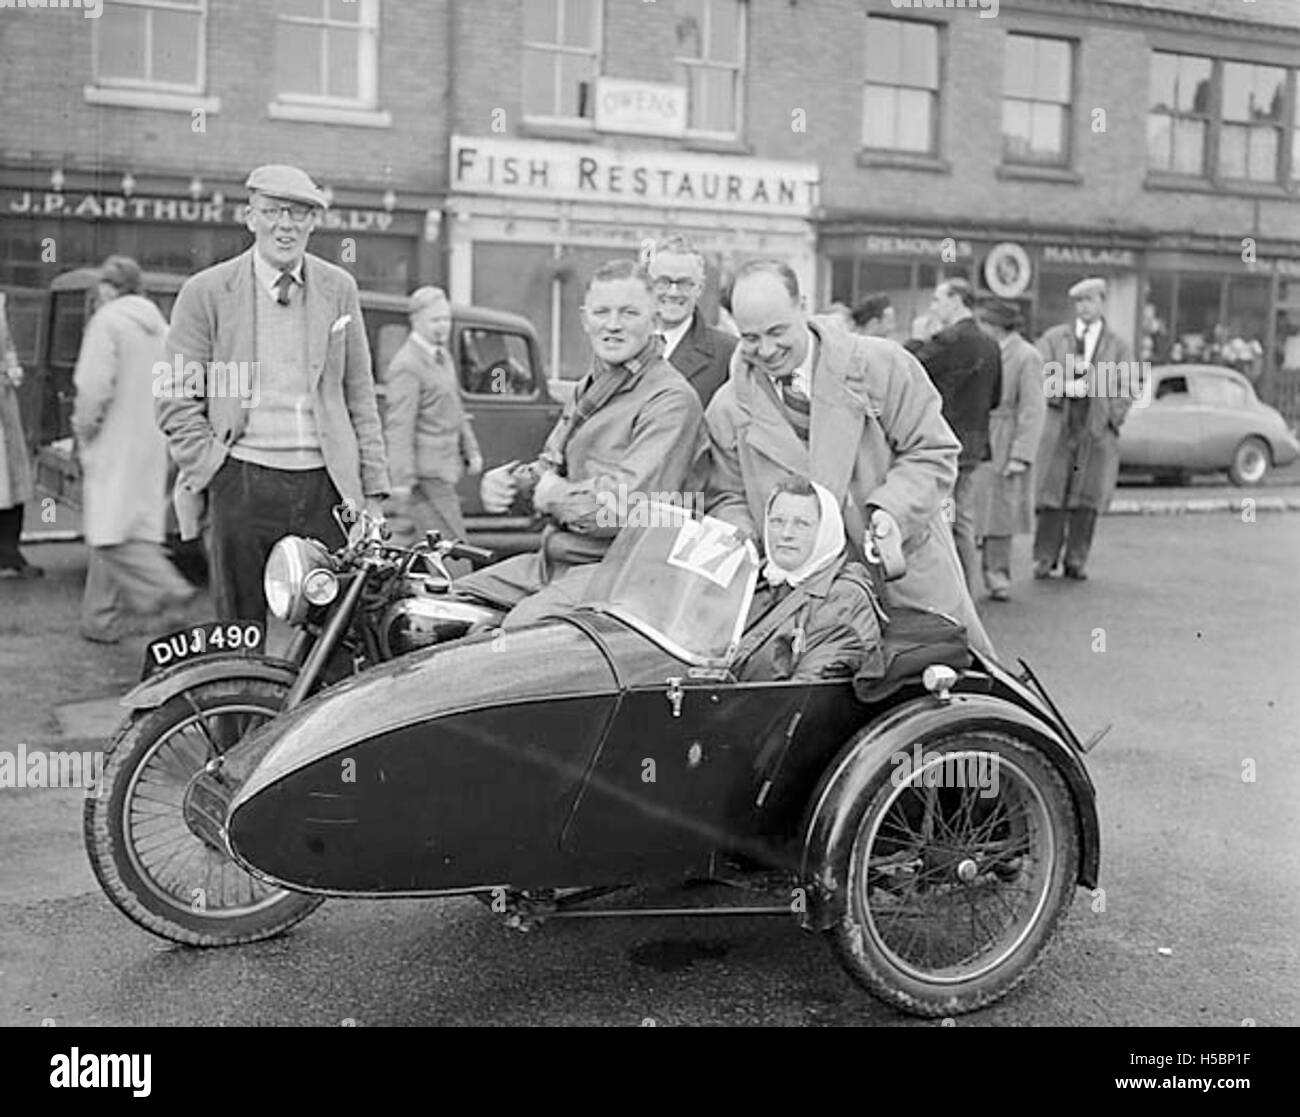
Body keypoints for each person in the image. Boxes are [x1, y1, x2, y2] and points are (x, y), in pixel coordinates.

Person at [704, 259, 995, 658]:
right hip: (804, 605)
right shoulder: (726, 409)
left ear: (802, 306)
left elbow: (932, 450)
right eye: (751, 338)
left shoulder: (883, 366)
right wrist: (745, 537)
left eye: (777, 332)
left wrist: (892, 510)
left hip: (902, 578)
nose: (767, 351)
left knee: (944, 697)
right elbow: (727, 495)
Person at [157, 164, 390, 621]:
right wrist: (213, 466)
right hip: (241, 479)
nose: (286, 225)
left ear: (313, 223)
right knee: (240, 626)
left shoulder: (337, 289)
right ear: (251, 217)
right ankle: (244, 696)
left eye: (300, 214)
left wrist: (373, 494)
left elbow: (360, 395)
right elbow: (173, 394)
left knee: (338, 630)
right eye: (274, 212)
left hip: (327, 485)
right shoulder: (209, 292)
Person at [459, 259, 705, 620]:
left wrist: (553, 495)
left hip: (620, 569)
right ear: (585, 319)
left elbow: (626, 507)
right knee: (448, 603)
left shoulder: (670, 400)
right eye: (601, 312)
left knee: (513, 637)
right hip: (555, 560)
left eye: (629, 313)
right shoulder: (588, 389)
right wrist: (512, 486)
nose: (613, 325)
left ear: (654, 320)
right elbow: (551, 466)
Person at [72, 256, 197, 642]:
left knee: (111, 534)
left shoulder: (107, 322)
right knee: (125, 531)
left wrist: (83, 430)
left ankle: (166, 591)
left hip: (114, 439)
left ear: (108, 289)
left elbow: (94, 387)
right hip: (152, 441)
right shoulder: (162, 328)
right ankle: (101, 618)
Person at [1032, 276, 1134, 580]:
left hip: (1095, 429)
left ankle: (1076, 559)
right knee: (1052, 496)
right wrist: (1063, 387)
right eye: (1079, 301)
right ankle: (1044, 559)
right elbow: (1037, 376)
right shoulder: (1055, 339)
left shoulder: (1117, 346)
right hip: (1060, 425)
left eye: (1090, 300)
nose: (1084, 307)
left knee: (1086, 498)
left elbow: (1128, 386)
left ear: (1102, 303)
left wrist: (1110, 418)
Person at [905, 278, 1002, 596]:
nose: (934, 306)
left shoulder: (947, 339)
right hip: (974, 444)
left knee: (941, 519)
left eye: (938, 299)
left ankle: (948, 592)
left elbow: (907, 369)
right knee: (963, 518)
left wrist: (917, 339)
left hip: (945, 443)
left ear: (956, 300)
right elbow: (996, 397)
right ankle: (968, 591)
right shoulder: (990, 343)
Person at [734, 476, 883, 683]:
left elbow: (804, 693)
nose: (786, 534)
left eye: (801, 524)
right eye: (777, 521)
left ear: (825, 530)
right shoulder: (757, 577)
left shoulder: (844, 599)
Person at [383, 286, 482, 559]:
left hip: (443, 469)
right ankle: (460, 596)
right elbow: (399, 427)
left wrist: (471, 449)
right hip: (424, 476)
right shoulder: (407, 365)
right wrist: (401, 480)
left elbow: (455, 407)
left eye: (446, 319)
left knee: (418, 547)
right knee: (454, 548)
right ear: (415, 320)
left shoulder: (443, 356)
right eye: (435, 320)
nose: (443, 327)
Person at [973, 299, 1047, 601]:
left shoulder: (1027, 356)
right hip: (984, 432)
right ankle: (979, 573)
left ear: (995, 326)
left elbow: (1033, 409)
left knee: (1001, 512)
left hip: (1006, 437)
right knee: (978, 509)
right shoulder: (989, 349)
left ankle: (997, 574)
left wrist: (1021, 454)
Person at [646, 235, 737, 409]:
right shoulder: (625, 342)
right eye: (663, 282)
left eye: (684, 283)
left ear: (700, 288)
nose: (673, 292)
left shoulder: (728, 354)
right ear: (649, 284)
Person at [0, 292, 41, 579]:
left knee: (12, 484)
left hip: (3, 406)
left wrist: (12, 372)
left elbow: (7, 348)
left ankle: (9, 553)